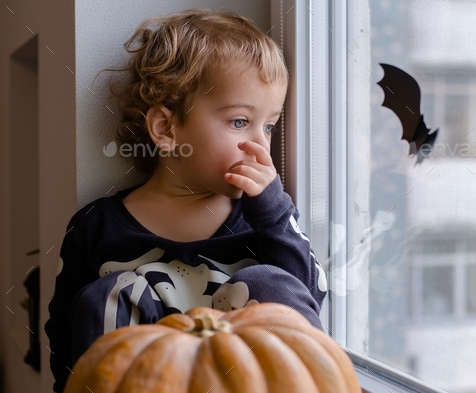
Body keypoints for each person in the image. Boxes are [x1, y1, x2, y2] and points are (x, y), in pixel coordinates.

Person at [44, 9, 327, 393]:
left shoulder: (265, 220)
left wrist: (275, 212)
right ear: (166, 128)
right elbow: (64, 335)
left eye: (270, 125)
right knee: (110, 294)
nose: (262, 145)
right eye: (240, 122)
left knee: (269, 281)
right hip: (152, 382)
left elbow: (305, 302)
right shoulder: (96, 228)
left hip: (248, 383)